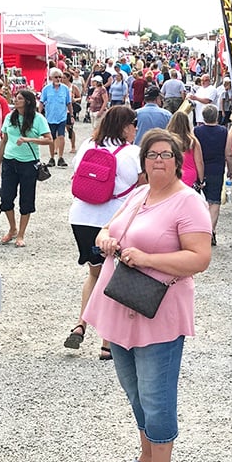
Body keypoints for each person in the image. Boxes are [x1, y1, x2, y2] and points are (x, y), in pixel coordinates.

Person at [83, 129, 212, 462]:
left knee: (157, 394)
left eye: (166, 154)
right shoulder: (140, 194)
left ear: (178, 160)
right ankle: (145, 457)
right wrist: (106, 237)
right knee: (135, 390)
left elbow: (199, 258)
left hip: (159, 312)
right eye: (152, 154)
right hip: (122, 305)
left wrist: (148, 260)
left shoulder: (188, 203)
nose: (159, 160)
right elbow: (111, 226)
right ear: (143, 162)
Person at [64, 105, 142, 355]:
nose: (136, 130)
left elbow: (76, 174)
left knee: (95, 273)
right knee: (113, 277)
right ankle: (107, 342)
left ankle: (80, 324)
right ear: (124, 127)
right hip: (112, 221)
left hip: (81, 217)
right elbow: (143, 187)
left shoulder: (88, 145)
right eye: (134, 125)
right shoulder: (132, 153)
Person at [0, 89, 52, 248]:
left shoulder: (38, 118)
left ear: (27, 101)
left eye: (19, 98)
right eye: (16, 98)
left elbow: (49, 140)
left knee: (26, 199)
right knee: (6, 198)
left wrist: (29, 139)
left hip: (28, 163)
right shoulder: (9, 117)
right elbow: (4, 141)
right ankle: (12, 228)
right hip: (9, 161)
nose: (16, 100)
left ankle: (21, 233)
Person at [194, 104, 228, 245]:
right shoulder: (223, 131)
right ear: (216, 116)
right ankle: (211, 230)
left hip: (200, 168)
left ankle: (200, 231)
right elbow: (228, 152)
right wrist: (230, 168)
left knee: (199, 201)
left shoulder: (196, 131)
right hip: (217, 169)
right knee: (214, 202)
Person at [39, 69, 72, 168]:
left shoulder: (65, 89)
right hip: (50, 117)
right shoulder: (46, 89)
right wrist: (39, 114)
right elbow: (41, 102)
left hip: (62, 117)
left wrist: (72, 115)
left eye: (60, 77)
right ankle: (52, 157)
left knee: (61, 137)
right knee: (51, 138)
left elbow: (69, 103)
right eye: (56, 77)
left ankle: (61, 157)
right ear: (51, 78)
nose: (58, 79)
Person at [167, 110, 204, 188]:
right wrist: (201, 180)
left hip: (172, 174)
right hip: (190, 176)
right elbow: (199, 162)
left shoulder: (167, 139)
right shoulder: (192, 141)